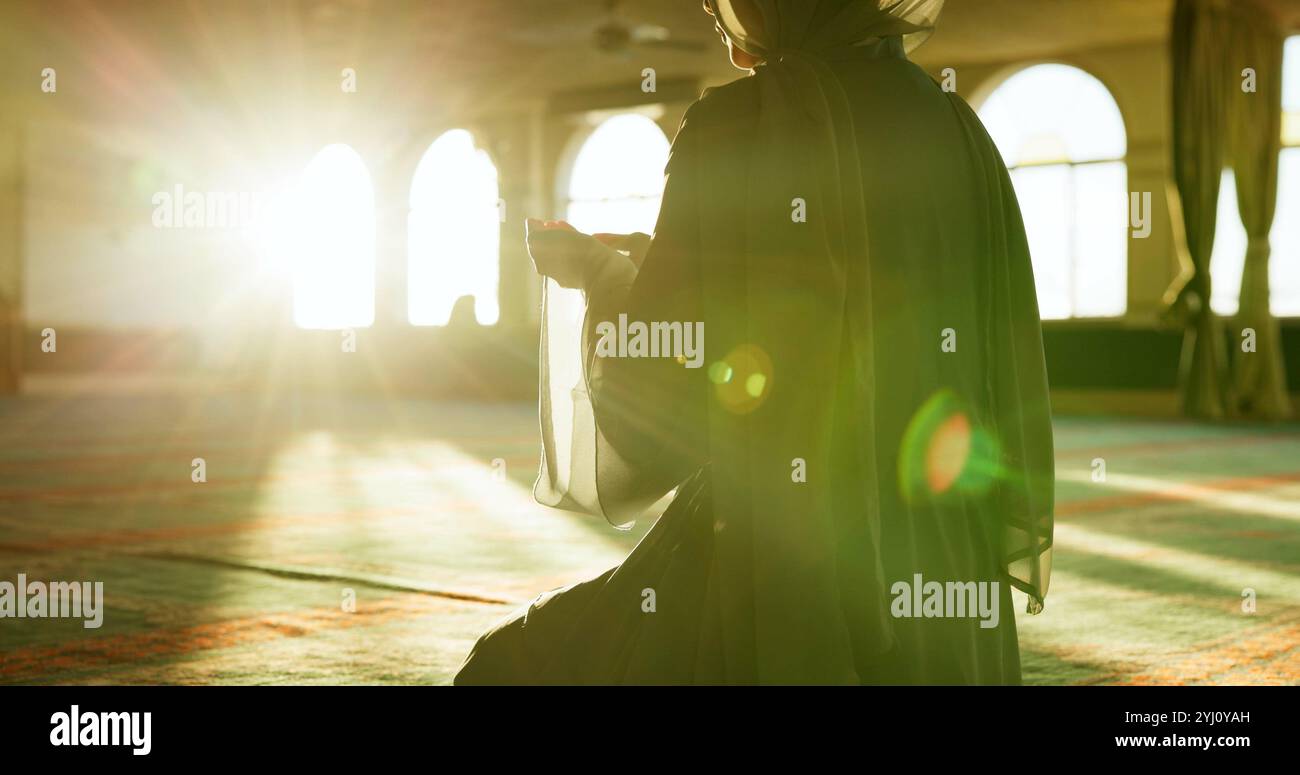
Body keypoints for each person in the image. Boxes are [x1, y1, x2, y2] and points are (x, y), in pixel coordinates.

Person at [455, 0, 1053, 685]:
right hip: (949, 553)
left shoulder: (735, 123)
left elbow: (667, 392)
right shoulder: (958, 127)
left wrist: (599, 275)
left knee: (501, 671)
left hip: (777, 545)